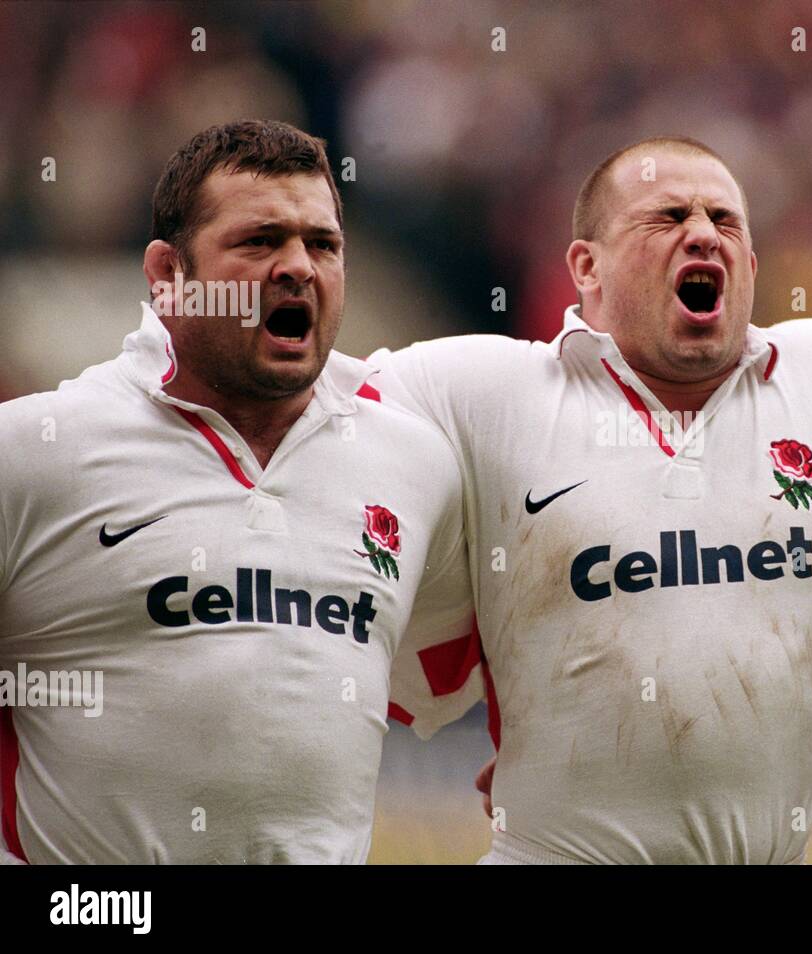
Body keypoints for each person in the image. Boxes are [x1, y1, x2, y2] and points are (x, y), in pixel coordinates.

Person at [370, 136, 812, 863]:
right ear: (586, 268)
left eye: (725, 221)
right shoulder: (479, 390)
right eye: (667, 217)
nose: (702, 233)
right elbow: (305, 400)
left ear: (749, 268)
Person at [0, 120, 476, 864]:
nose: (298, 268)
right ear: (167, 273)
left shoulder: (413, 462)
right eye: (260, 242)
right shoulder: (35, 450)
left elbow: (430, 676)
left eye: (323, 244)